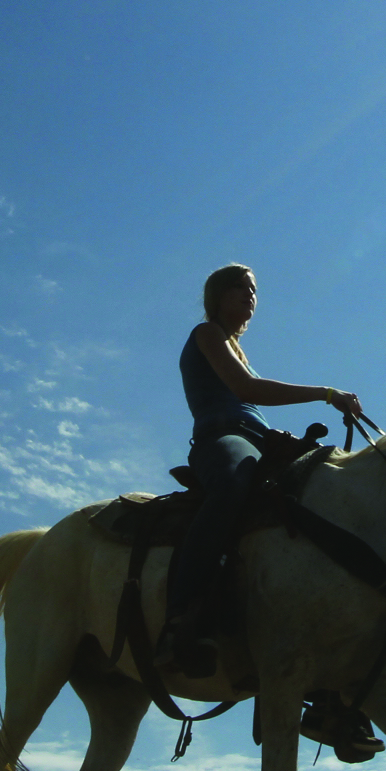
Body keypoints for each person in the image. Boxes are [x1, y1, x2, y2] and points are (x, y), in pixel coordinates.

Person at [159, 265, 362, 677]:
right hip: (223, 438)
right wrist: (326, 394)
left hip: (261, 441)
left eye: (253, 289)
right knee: (232, 484)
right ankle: (179, 615)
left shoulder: (236, 348)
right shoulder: (207, 335)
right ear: (217, 294)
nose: (249, 295)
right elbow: (247, 391)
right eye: (239, 287)